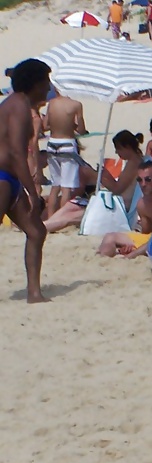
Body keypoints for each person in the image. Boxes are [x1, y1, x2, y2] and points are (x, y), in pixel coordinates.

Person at [0, 59, 51, 304]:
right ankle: (33, 292)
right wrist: (33, 192)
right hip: (2, 177)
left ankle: (34, 292)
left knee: (36, 231)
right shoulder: (19, 106)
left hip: (10, 177)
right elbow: (16, 153)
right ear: (35, 83)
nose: (49, 86)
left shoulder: (19, 104)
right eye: (46, 81)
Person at [44, 129, 144, 234]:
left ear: (127, 147)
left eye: (118, 149)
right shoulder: (134, 161)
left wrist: (100, 176)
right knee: (70, 206)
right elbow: (119, 187)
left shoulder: (133, 164)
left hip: (117, 209)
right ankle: (45, 225)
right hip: (115, 204)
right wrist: (105, 176)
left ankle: (44, 227)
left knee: (70, 216)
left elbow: (117, 190)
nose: (116, 152)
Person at [44, 88, 88, 217]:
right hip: (67, 144)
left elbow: (45, 126)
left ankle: (50, 217)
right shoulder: (76, 105)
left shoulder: (52, 103)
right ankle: (61, 219)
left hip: (52, 143)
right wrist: (72, 126)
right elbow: (82, 130)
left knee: (55, 185)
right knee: (66, 187)